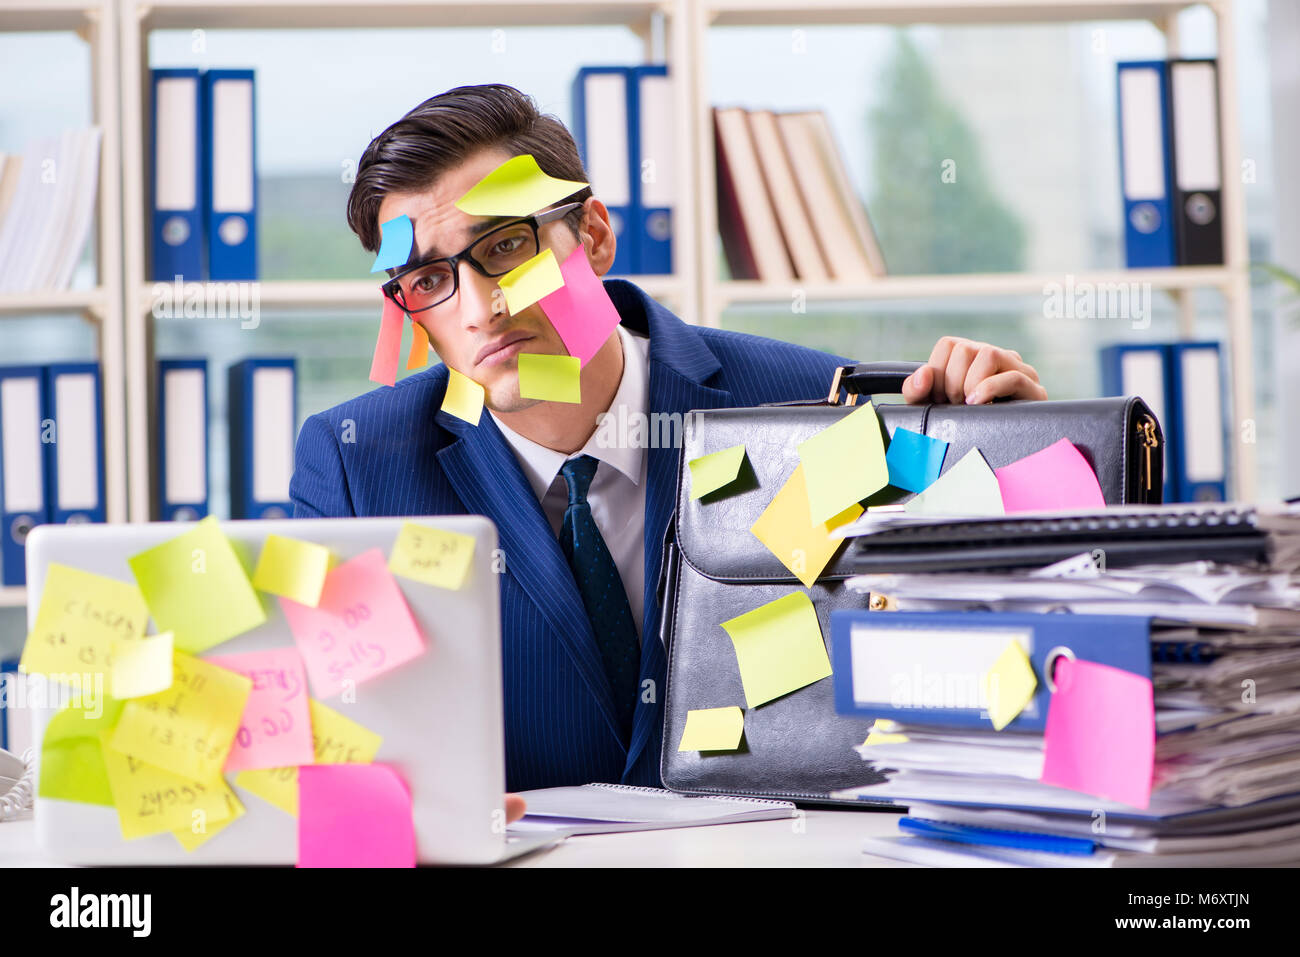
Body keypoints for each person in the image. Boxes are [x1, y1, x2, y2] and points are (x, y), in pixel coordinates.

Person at [290, 83, 1047, 794]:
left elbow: (985, 668)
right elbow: (331, 762)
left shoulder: (810, 406)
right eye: (429, 281)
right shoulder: (357, 468)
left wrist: (1017, 467)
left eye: (506, 247)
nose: (480, 309)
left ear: (592, 236)